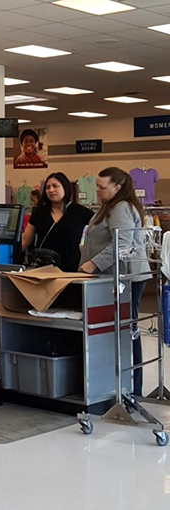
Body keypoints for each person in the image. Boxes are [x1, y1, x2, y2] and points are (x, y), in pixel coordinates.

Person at [79, 167, 151, 396]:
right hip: (109, 276)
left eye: (102, 187)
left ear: (117, 188)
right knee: (115, 330)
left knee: (127, 330)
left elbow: (123, 244)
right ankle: (116, 384)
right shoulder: (108, 206)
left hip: (126, 277)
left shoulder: (121, 208)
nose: (98, 190)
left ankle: (133, 388)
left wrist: (93, 263)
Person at [21, 172, 93, 272]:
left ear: (65, 187)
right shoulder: (39, 212)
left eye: (55, 186)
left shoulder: (80, 212)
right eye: (47, 187)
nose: (51, 190)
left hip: (72, 268)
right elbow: (25, 239)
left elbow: (100, 229)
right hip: (44, 269)